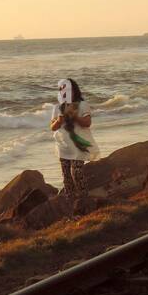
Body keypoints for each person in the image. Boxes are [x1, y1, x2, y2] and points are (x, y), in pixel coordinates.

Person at [50, 78, 100, 206]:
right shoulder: (57, 107)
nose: (64, 92)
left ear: (74, 90)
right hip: (63, 145)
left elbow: (87, 123)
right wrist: (59, 121)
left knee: (76, 172)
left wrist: (75, 116)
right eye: (61, 90)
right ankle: (70, 204)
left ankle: (84, 200)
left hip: (78, 145)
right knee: (66, 176)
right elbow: (52, 127)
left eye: (67, 89)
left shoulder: (83, 105)